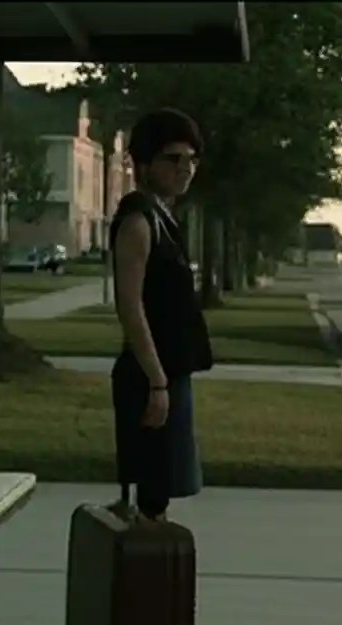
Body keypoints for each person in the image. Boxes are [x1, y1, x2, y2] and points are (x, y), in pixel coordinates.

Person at [110, 108, 214, 522]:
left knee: (162, 494)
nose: (185, 168)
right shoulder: (138, 220)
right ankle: (148, 581)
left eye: (191, 159)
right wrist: (156, 381)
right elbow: (130, 305)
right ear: (143, 164)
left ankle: (156, 577)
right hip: (150, 376)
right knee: (152, 494)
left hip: (171, 371)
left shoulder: (166, 218)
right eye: (173, 159)